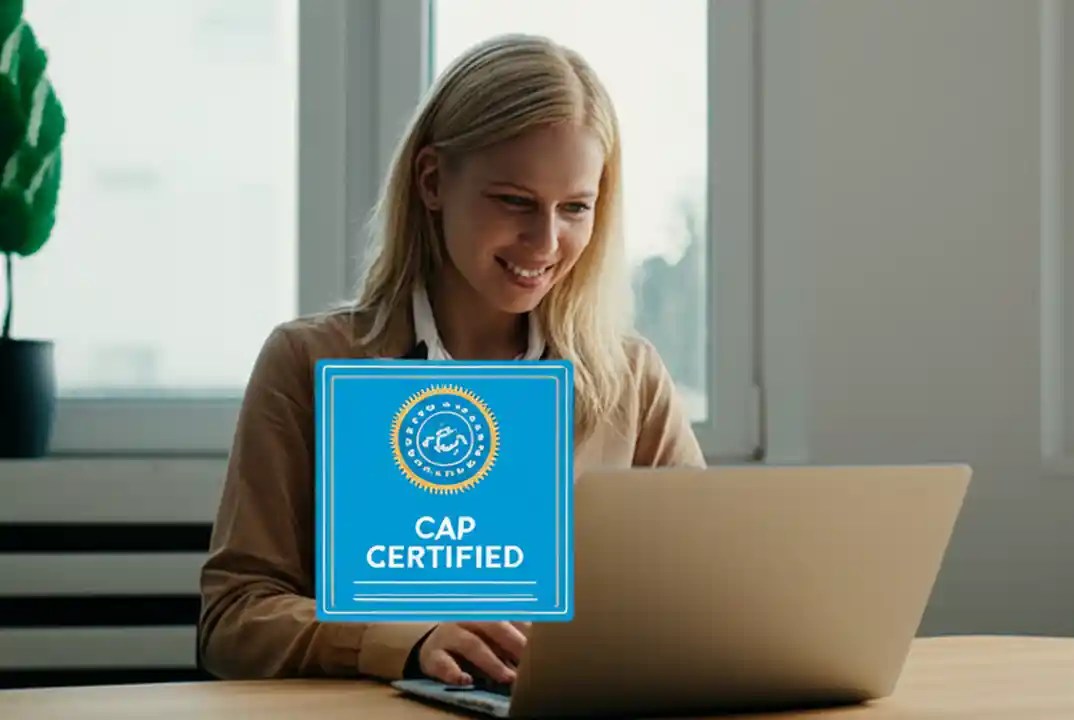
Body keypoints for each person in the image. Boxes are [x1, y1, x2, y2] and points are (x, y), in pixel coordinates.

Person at [197, 34, 705, 686]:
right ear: (433, 181)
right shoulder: (310, 362)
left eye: (575, 208)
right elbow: (233, 621)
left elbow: (706, 596)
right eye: (515, 202)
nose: (546, 242)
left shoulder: (629, 380)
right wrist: (400, 640)